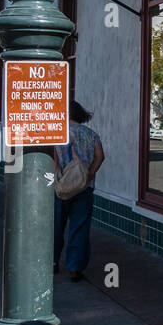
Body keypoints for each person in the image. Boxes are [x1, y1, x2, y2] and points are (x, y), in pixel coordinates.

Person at [53, 100, 105, 282]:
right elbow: (100, 156)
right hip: (84, 188)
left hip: (61, 187)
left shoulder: (57, 133)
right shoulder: (91, 134)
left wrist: (57, 176)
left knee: (55, 226)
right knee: (80, 227)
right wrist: (89, 175)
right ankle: (75, 268)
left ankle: (52, 262)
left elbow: (53, 159)